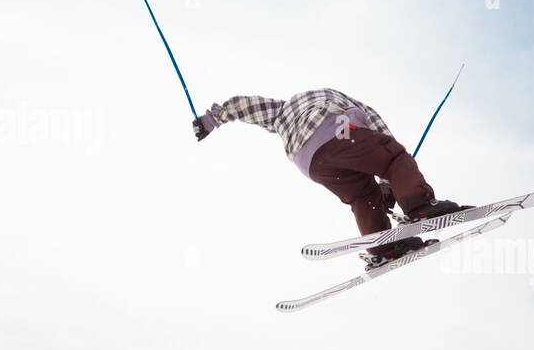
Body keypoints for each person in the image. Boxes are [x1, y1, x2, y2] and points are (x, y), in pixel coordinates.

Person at [192, 90, 470, 262]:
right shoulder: (351, 104)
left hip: (309, 161)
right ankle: (420, 207)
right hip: (338, 132)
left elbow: (247, 105)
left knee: (363, 195)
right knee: (395, 157)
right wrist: (391, 186)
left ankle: (384, 247)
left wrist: (211, 120)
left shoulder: (282, 108)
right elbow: (382, 137)